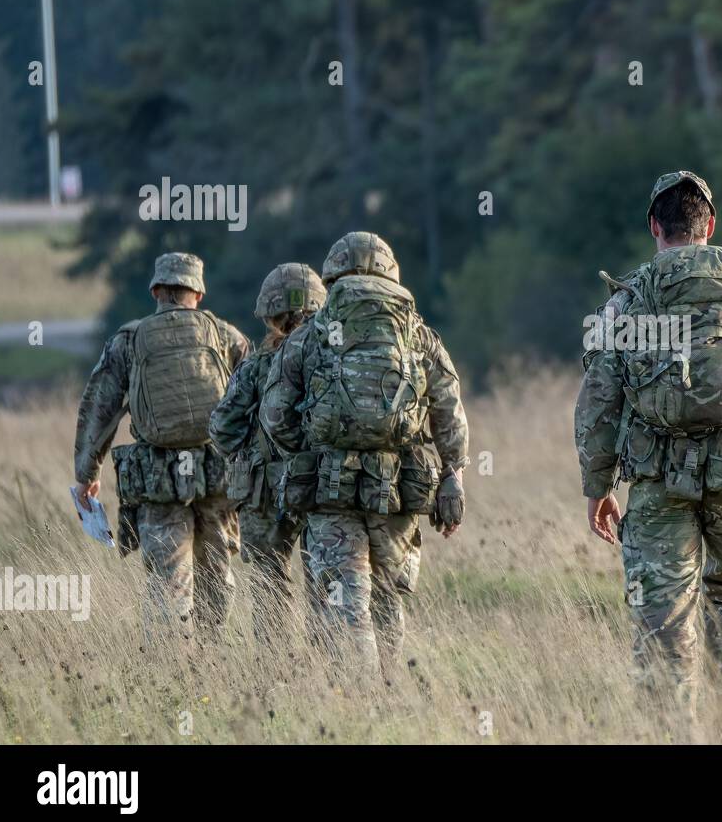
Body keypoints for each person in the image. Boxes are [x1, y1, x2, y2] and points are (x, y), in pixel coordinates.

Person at [575, 170, 722, 741]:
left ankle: (670, 734)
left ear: (655, 226)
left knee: (662, 623)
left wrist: (597, 486)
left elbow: (597, 402)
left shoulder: (628, 301)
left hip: (658, 486)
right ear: (709, 224)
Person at [260, 232, 469, 674]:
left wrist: (310, 454)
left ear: (332, 275)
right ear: (391, 273)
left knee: (344, 600)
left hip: (328, 491)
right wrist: (453, 474)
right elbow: (449, 409)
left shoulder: (310, 334)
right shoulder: (418, 332)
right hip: (397, 490)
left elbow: (275, 413)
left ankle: (356, 696)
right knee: (388, 597)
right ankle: (387, 687)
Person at [74, 252, 249, 638]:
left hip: (159, 480)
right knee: (217, 574)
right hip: (217, 480)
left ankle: (171, 665)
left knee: (168, 582)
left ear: (156, 290)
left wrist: (87, 473)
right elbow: (255, 400)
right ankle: (212, 657)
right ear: (198, 294)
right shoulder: (226, 335)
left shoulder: (130, 339)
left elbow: (99, 406)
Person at [210, 263, 326, 646]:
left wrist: (248, 456)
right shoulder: (330, 362)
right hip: (321, 485)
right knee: (324, 582)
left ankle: (276, 669)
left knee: (268, 583)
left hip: (264, 490)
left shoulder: (257, 365)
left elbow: (223, 426)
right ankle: (331, 670)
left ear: (272, 316)